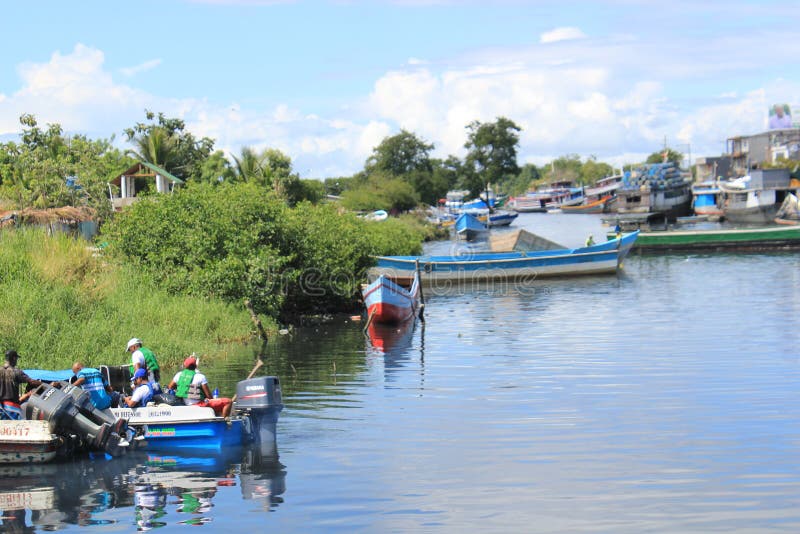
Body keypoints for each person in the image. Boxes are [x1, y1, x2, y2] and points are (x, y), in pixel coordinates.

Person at [167, 356, 232, 417]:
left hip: (184, 404)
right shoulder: (200, 377)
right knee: (228, 402)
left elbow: (170, 388)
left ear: (185, 366)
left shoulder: (179, 375)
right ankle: (224, 423)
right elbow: (209, 397)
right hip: (199, 404)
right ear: (195, 366)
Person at [0, 349, 41, 419]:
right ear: (14, 358)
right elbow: (32, 382)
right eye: (16, 359)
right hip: (12, 407)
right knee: (19, 426)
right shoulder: (16, 372)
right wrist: (44, 384)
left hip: (1, 407)